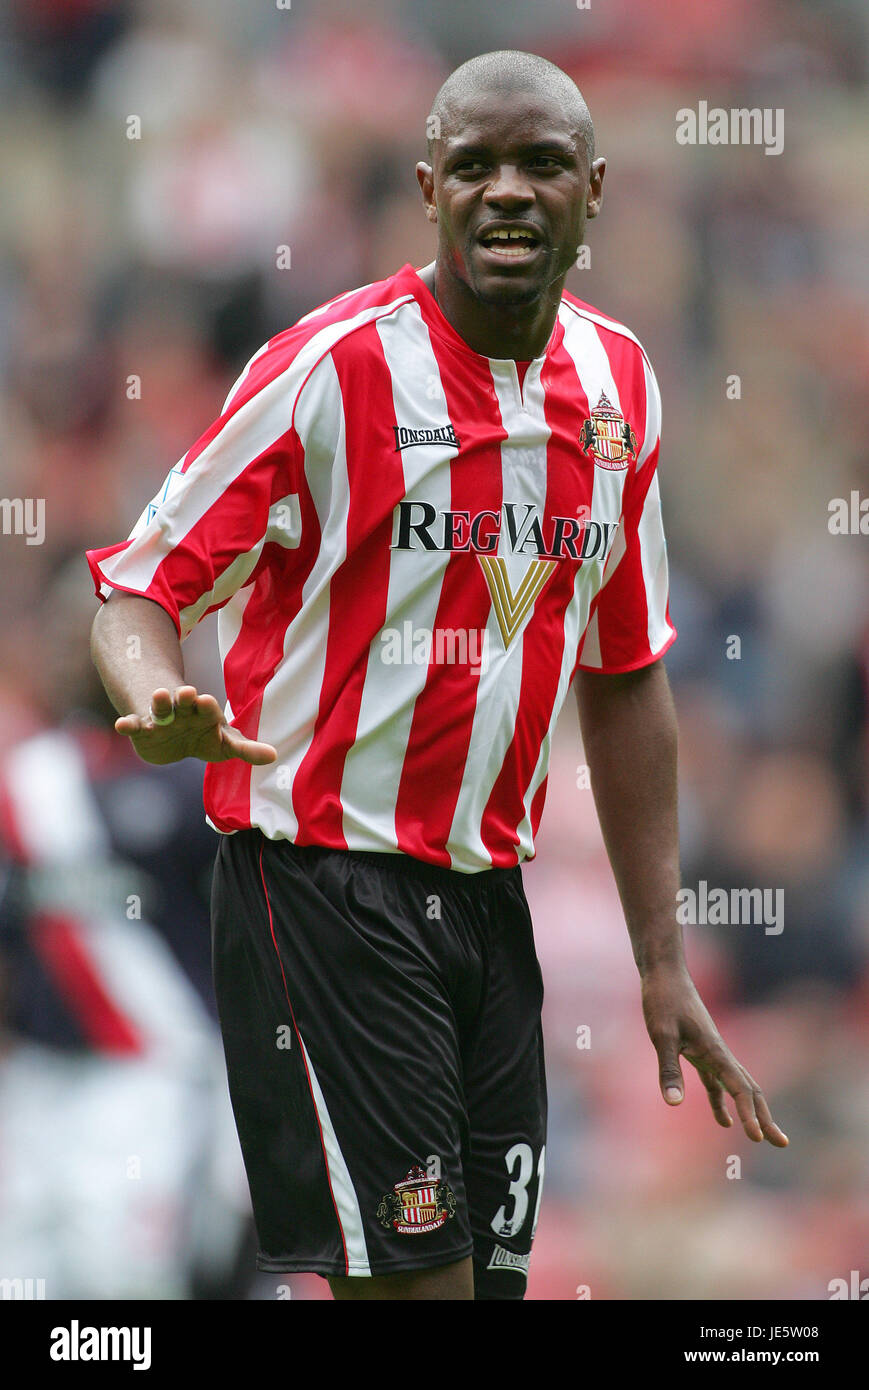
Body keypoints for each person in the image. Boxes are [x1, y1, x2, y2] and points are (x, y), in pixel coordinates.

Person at [87, 50, 788, 1302]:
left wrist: (658, 955)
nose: (506, 192)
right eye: (474, 166)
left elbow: (623, 673)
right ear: (427, 186)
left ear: (596, 188)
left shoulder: (618, 386)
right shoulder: (329, 369)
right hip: (320, 886)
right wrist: (150, 695)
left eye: (540, 165)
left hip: (484, 899)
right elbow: (139, 586)